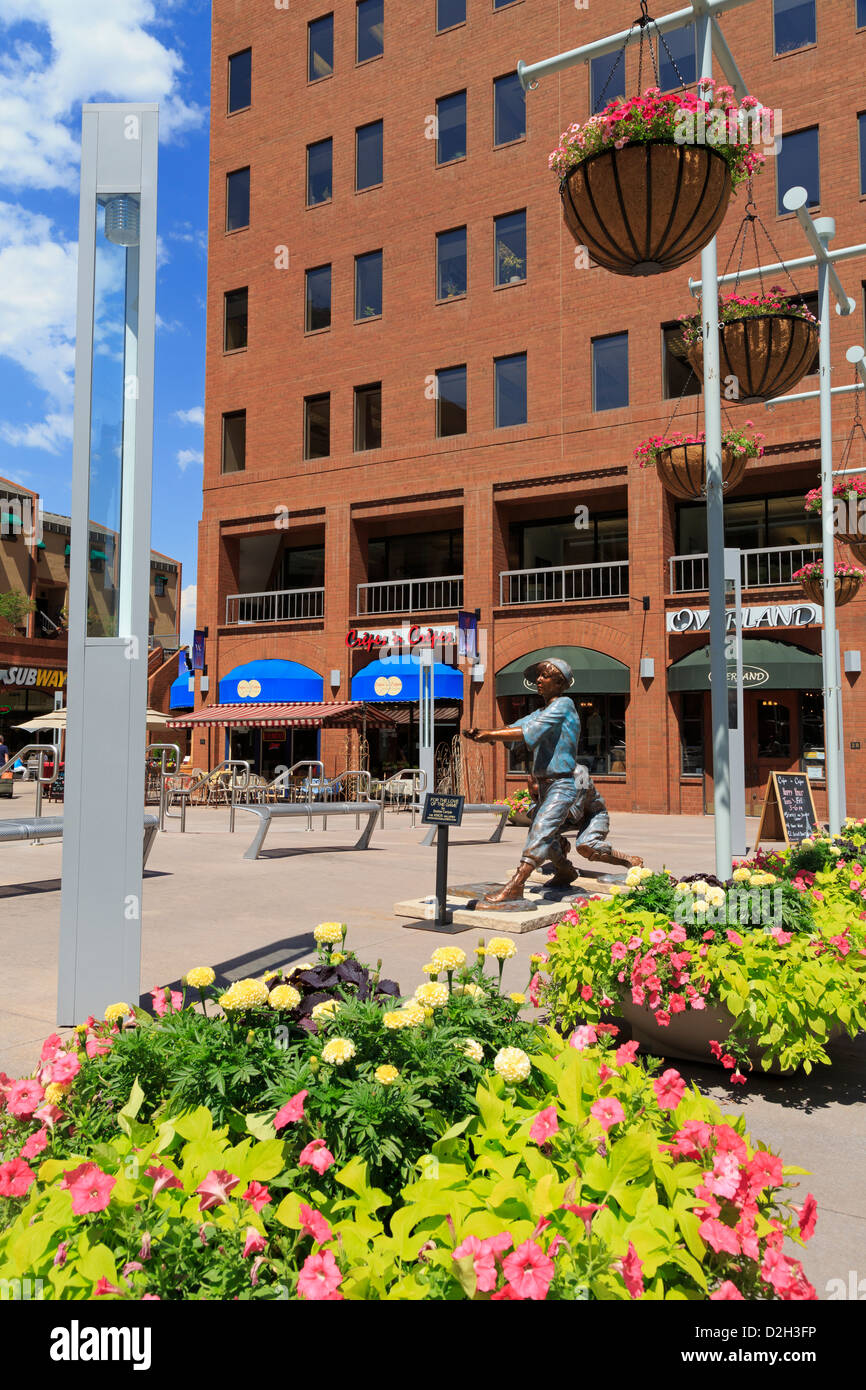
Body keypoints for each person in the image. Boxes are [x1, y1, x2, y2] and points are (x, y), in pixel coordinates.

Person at [463, 657, 583, 903]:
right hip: (545, 786)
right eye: (538, 676)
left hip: (561, 784)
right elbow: (517, 727)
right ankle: (565, 870)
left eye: (545, 675)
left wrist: (490, 735)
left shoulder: (564, 705)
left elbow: (531, 730)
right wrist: (487, 734)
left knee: (539, 832)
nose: (538, 680)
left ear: (559, 682)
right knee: (544, 837)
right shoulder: (542, 711)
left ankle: (516, 885)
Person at [529, 763, 643, 880]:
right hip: (562, 815)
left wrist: (545, 810)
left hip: (593, 814)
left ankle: (631, 862)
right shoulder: (539, 770)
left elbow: (575, 810)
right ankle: (562, 864)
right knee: (541, 833)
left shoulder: (580, 773)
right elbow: (535, 809)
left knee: (587, 846)